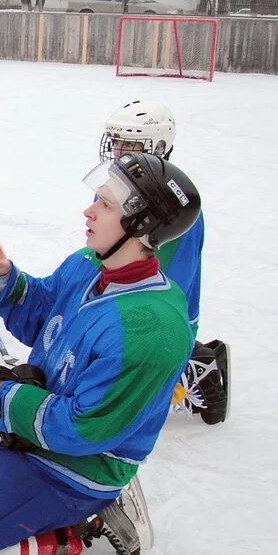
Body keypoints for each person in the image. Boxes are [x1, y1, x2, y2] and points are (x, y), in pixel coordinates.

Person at [0, 152, 201, 555]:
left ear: (140, 226)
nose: (89, 210)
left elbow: (84, 428)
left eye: (105, 204)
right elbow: (44, 319)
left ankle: (77, 528)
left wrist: (4, 397)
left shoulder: (151, 330)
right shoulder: (88, 265)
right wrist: (2, 274)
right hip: (38, 420)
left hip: (80, 461)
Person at [99, 99, 228, 424]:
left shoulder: (175, 210)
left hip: (164, 315)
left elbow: (173, 287)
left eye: (129, 145)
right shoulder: (115, 189)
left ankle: (199, 365)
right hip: (127, 301)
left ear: (157, 147)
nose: (119, 152)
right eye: (115, 142)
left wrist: (166, 341)